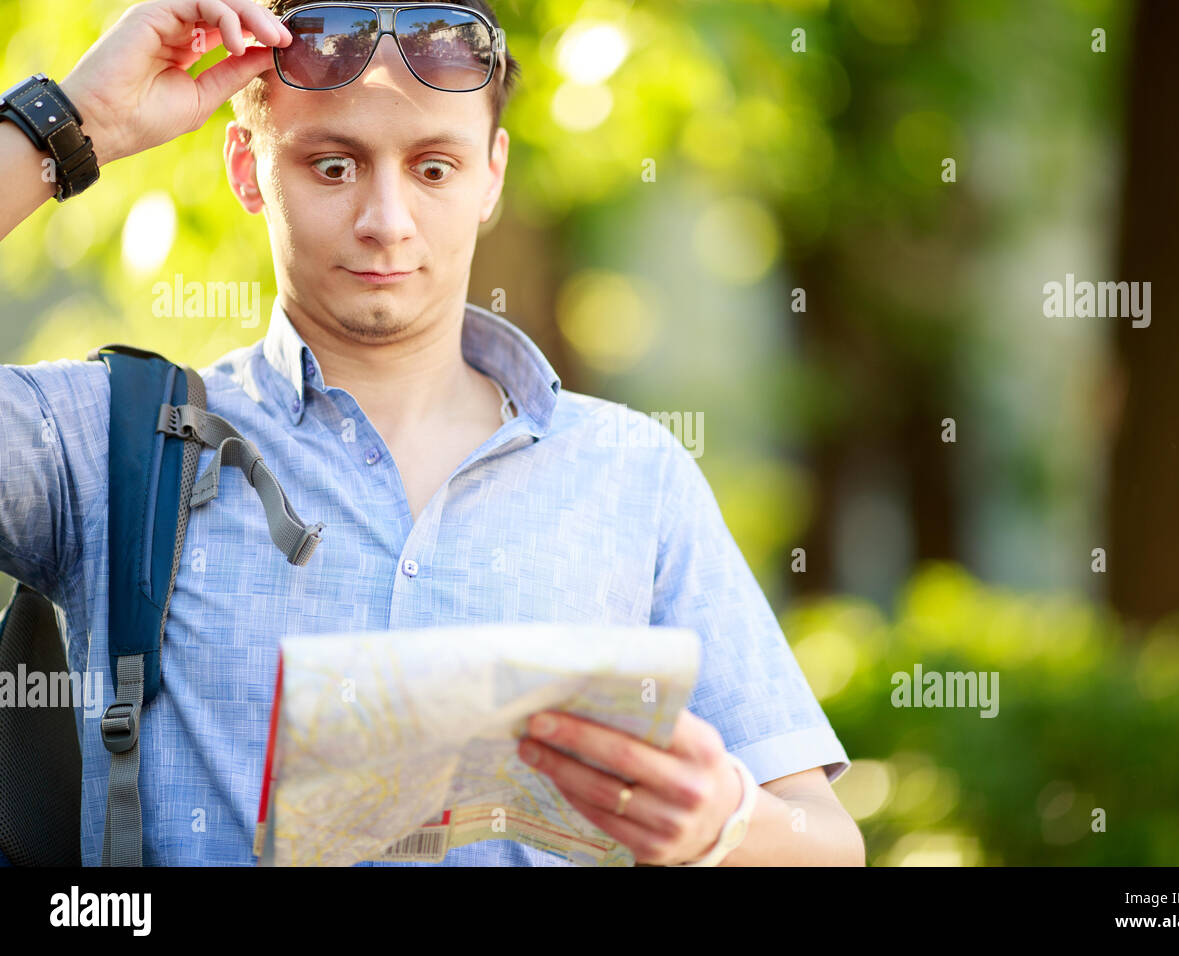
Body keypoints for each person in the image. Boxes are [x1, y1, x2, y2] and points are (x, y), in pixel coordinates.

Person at [0, 0, 864, 866]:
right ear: (247, 168)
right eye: (333, 165)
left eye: (434, 167)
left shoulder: (632, 473)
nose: (387, 219)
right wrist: (69, 126)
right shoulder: (108, 444)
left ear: (493, 172)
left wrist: (724, 823)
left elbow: (828, 843)